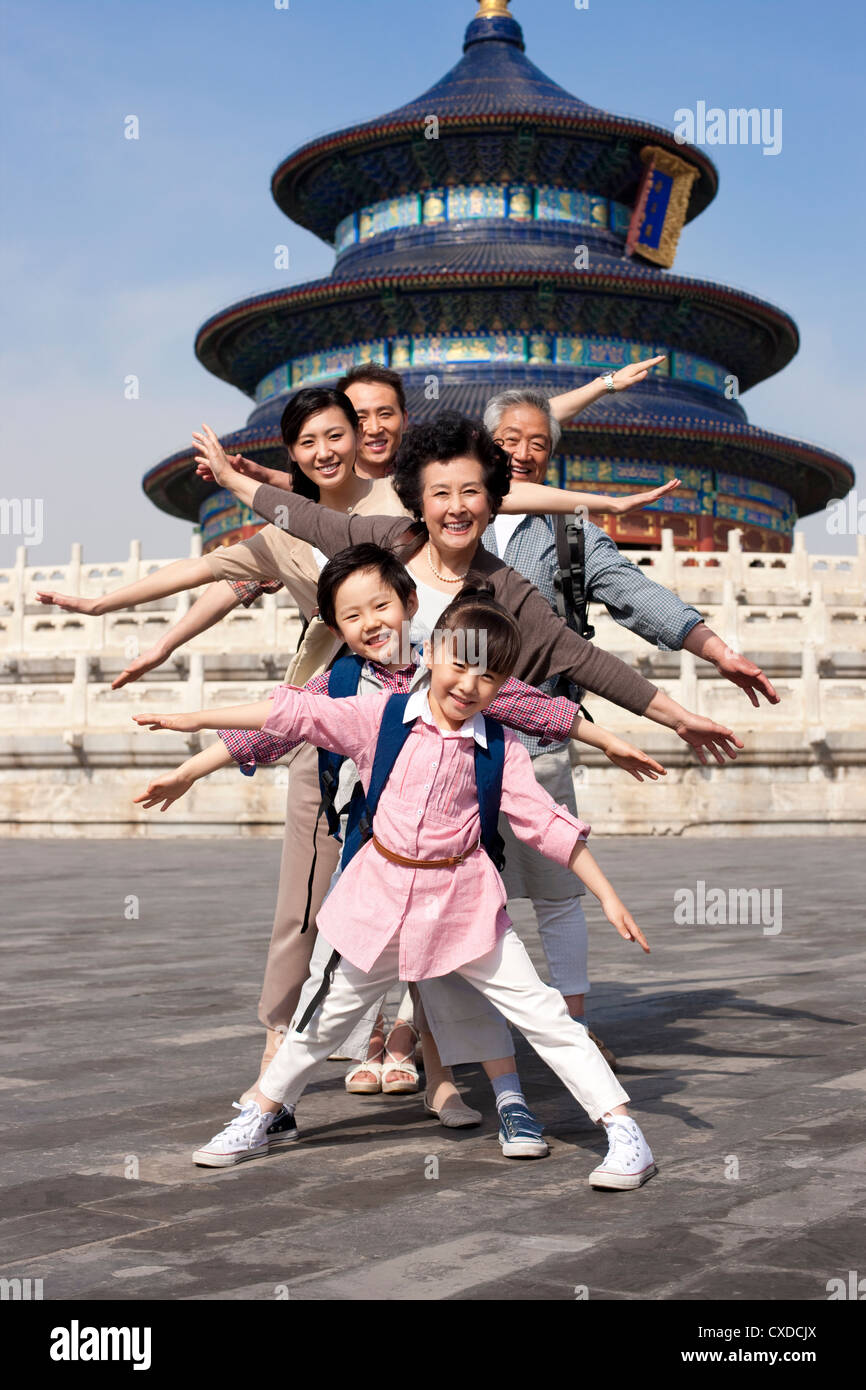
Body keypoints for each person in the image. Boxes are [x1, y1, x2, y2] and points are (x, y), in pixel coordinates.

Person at [136, 544, 665, 1145]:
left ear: (410, 603)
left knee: (507, 1004)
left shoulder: (472, 675)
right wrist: (191, 746)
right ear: (335, 626)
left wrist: (608, 744)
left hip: (460, 893)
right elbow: (282, 718)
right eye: (351, 616)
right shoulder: (363, 701)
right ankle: (264, 1108)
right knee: (328, 1003)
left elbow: (538, 729)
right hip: (378, 874)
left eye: (381, 605)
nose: (469, 685)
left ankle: (585, 1120)